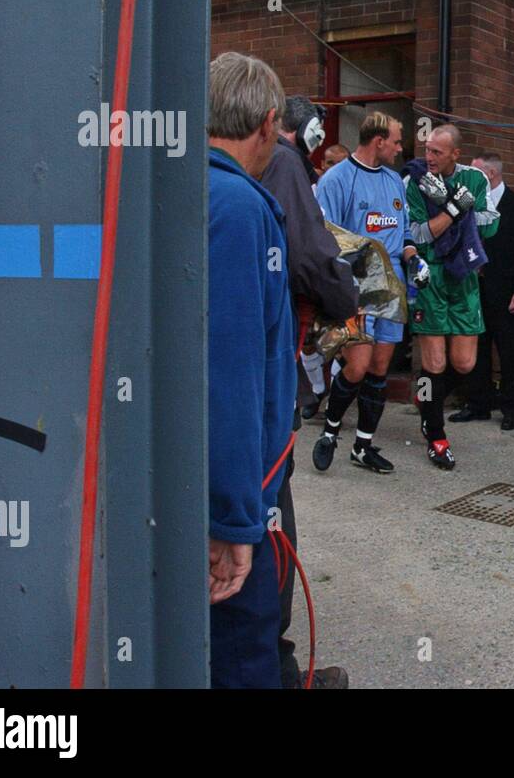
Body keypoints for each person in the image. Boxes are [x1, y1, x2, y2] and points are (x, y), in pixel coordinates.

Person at [259, 94, 359, 690]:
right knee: (270, 520)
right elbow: (313, 258)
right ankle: (273, 671)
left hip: (238, 361)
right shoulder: (285, 165)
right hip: (262, 369)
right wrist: (348, 294)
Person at [206, 52, 297, 689]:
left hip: (199, 487)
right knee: (243, 656)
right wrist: (235, 518)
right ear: (267, 124)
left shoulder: (180, 188)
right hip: (234, 499)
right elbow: (230, 375)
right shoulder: (238, 206)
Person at [312, 111, 428, 473]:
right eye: (395, 141)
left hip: (391, 287)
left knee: (379, 367)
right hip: (355, 286)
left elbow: (404, 231)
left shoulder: (396, 180)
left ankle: (362, 447)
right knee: (357, 365)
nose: (399, 148)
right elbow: (325, 237)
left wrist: (414, 258)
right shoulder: (337, 179)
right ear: (378, 141)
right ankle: (330, 432)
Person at [403, 124, 499, 470]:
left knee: (464, 364)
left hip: (465, 276)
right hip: (431, 276)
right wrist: (454, 212)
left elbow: (491, 224)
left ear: (455, 154)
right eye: (427, 150)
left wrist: (460, 212)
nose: (428, 158)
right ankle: (436, 434)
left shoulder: (475, 179)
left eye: (437, 153)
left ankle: (427, 397)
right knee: (435, 364)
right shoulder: (414, 180)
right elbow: (418, 233)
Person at [450, 152, 514, 430]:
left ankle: (511, 409)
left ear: (490, 175)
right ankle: (478, 404)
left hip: (507, 291)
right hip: (474, 289)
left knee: (509, 352)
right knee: (477, 347)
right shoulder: (469, 205)